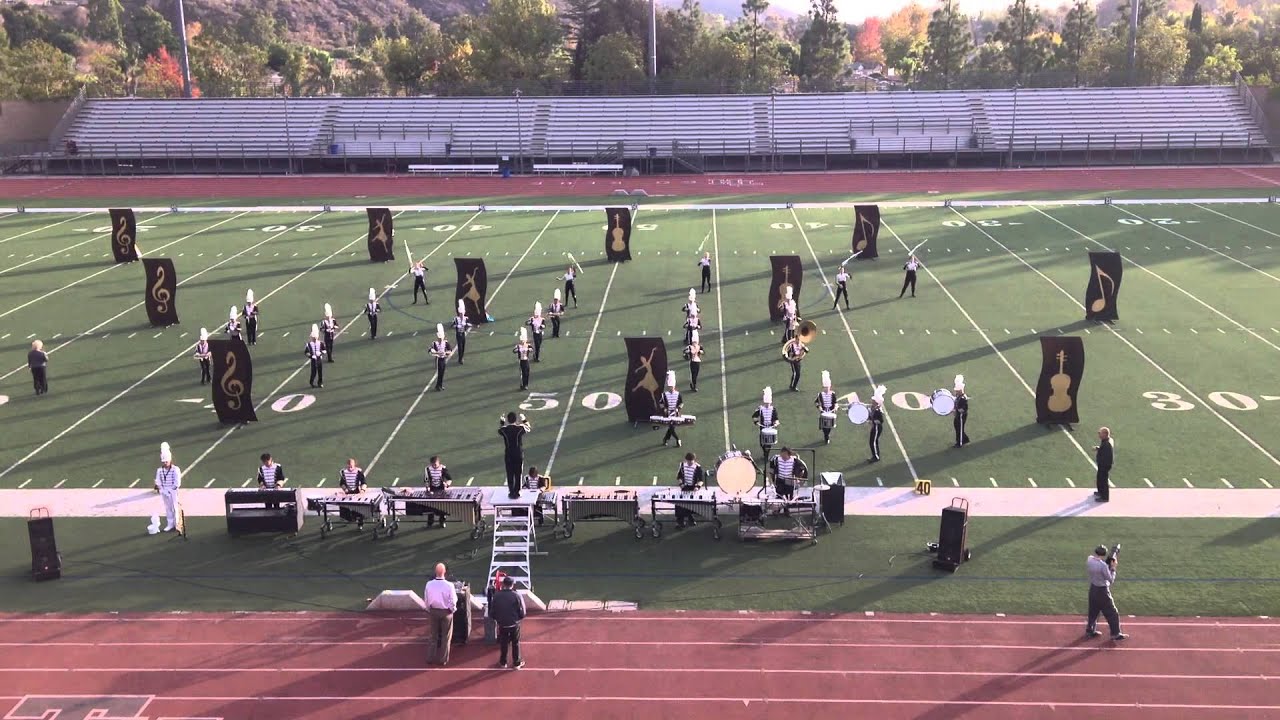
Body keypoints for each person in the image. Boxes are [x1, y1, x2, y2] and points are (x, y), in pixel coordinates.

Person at [1086, 545, 1128, 641]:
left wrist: (1107, 564)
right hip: (1102, 591)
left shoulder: (1089, 559)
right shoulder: (1103, 566)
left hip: (1093, 589)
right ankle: (1115, 633)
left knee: (1093, 611)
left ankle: (1090, 630)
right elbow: (1110, 579)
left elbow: (1099, 564)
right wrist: (1113, 568)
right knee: (1112, 613)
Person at [424, 563, 458, 666]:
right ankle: (443, 659)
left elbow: (426, 599)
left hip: (433, 611)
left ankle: (430, 657)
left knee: (433, 636)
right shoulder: (449, 585)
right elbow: (453, 601)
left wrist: (429, 609)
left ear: (435, 572)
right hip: (446, 612)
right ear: (445, 572)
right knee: (446, 637)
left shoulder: (429, 584)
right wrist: (452, 610)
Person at [490, 574, 526, 669]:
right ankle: (516, 662)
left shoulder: (496, 596)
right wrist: (518, 619)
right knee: (515, 642)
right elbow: (523, 612)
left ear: (503, 584)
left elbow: (492, 611)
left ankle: (503, 662)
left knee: (503, 642)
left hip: (502, 624)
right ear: (512, 585)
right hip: (514, 623)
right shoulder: (517, 595)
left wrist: (498, 619)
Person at [499, 412, 530, 498]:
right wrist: (524, 419)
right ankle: (517, 492)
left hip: (508, 454)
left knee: (510, 473)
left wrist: (502, 422)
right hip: (518, 454)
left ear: (508, 420)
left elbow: (500, 429)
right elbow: (528, 427)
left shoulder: (504, 430)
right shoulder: (519, 428)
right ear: (515, 420)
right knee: (518, 473)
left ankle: (511, 492)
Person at [154, 442, 182, 532]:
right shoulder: (159, 470)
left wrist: (170, 490)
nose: (165, 463)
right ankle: (170, 524)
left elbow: (177, 483)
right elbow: (158, 481)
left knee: (175, 508)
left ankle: (177, 524)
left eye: (166, 461)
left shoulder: (175, 469)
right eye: (164, 462)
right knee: (168, 508)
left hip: (173, 492)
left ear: (170, 460)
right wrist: (162, 490)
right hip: (164, 492)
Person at [674, 452, 704, 527]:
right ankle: (680, 521)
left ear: (694, 460)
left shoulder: (698, 467)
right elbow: (679, 477)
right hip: (684, 487)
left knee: (691, 504)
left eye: (691, 461)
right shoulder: (682, 465)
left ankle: (690, 518)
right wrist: (681, 484)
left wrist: (697, 487)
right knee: (680, 504)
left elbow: (701, 480)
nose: (689, 463)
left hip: (693, 488)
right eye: (688, 461)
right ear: (686, 460)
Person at [752, 386, 780, 463]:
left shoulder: (773, 409)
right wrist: (756, 422)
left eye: (768, 403)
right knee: (762, 443)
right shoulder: (760, 409)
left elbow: (776, 419)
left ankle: (766, 456)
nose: (767, 404)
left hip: (770, 428)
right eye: (766, 403)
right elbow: (754, 416)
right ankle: (765, 454)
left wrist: (776, 423)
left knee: (769, 443)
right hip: (763, 428)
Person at [424, 454, 453, 527]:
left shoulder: (443, 469)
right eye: (432, 464)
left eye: (435, 464)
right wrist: (427, 488)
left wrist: (447, 484)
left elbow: (449, 479)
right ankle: (430, 522)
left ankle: (442, 521)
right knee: (430, 506)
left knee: (442, 506)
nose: (434, 466)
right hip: (432, 489)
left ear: (439, 463)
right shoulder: (427, 469)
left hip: (441, 489)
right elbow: (426, 480)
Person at [659, 371, 683, 448]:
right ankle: (678, 440)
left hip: (675, 413)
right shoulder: (664, 395)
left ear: (674, 387)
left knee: (671, 428)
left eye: (672, 387)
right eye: (669, 387)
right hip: (668, 414)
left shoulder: (678, 394)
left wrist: (678, 409)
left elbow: (681, 403)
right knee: (671, 427)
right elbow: (660, 403)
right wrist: (664, 409)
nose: (671, 388)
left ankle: (665, 439)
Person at [815, 370, 838, 445]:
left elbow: (835, 402)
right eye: (825, 387)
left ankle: (827, 436)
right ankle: (826, 436)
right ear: (823, 387)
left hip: (831, 411)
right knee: (824, 427)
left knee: (829, 426)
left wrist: (835, 407)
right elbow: (816, 402)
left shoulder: (833, 394)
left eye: (828, 387)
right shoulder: (820, 394)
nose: (827, 389)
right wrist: (819, 408)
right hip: (824, 412)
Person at [1094, 427, 1114, 502]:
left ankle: (1105, 497)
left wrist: (1101, 464)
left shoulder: (1107, 444)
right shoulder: (1106, 441)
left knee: (1103, 480)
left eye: (1100, 433)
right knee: (1100, 478)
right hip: (1102, 464)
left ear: (1105, 434)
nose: (1099, 434)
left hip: (1104, 465)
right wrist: (1098, 448)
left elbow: (1106, 455)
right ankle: (1100, 492)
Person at [429, 324, 451, 391]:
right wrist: (437, 353)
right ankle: (438, 386)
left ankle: (440, 385)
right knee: (439, 373)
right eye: (439, 338)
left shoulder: (446, 343)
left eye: (441, 338)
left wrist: (445, 353)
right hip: (438, 359)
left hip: (443, 359)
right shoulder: (434, 343)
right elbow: (430, 351)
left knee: (442, 373)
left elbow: (450, 350)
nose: (441, 339)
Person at [868, 385, 886, 463]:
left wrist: (872, 421)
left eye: (873, 400)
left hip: (877, 427)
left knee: (873, 442)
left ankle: (876, 457)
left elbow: (881, 420)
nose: (872, 401)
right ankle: (875, 455)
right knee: (873, 441)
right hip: (875, 427)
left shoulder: (878, 410)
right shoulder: (873, 408)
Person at [304, 324, 324, 388]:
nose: (315, 338)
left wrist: (320, 353)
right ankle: (311, 382)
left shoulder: (321, 343)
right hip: (313, 360)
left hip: (319, 359)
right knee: (313, 372)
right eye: (313, 337)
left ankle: (320, 383)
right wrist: (311, 356)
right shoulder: (308, 344)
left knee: (320, 372)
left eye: (315, 337)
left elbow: (324, 350)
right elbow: (306, 352)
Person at [453, 300, 472, 365]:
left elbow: (470, 324)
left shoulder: (466, 318)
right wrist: (457, 325)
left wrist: (466, 325)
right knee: (460, 347)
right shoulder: (456, 319)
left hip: (463, 334)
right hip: (458, 334)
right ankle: (460, 359)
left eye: (462, 313)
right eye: (460, 313)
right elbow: (453, 325)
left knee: (463, 346)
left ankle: (462, 356)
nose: (461, 314)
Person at [953, 375, 970, 448]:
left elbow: (963, 409)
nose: (956, 391)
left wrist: (956, 410)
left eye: (957, 390)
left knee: (959, 429)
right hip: (958, 415)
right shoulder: (958, 396)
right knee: (957, 427)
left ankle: (960, 443)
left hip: (961, 416)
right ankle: (965, 439)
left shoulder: (963, 398)